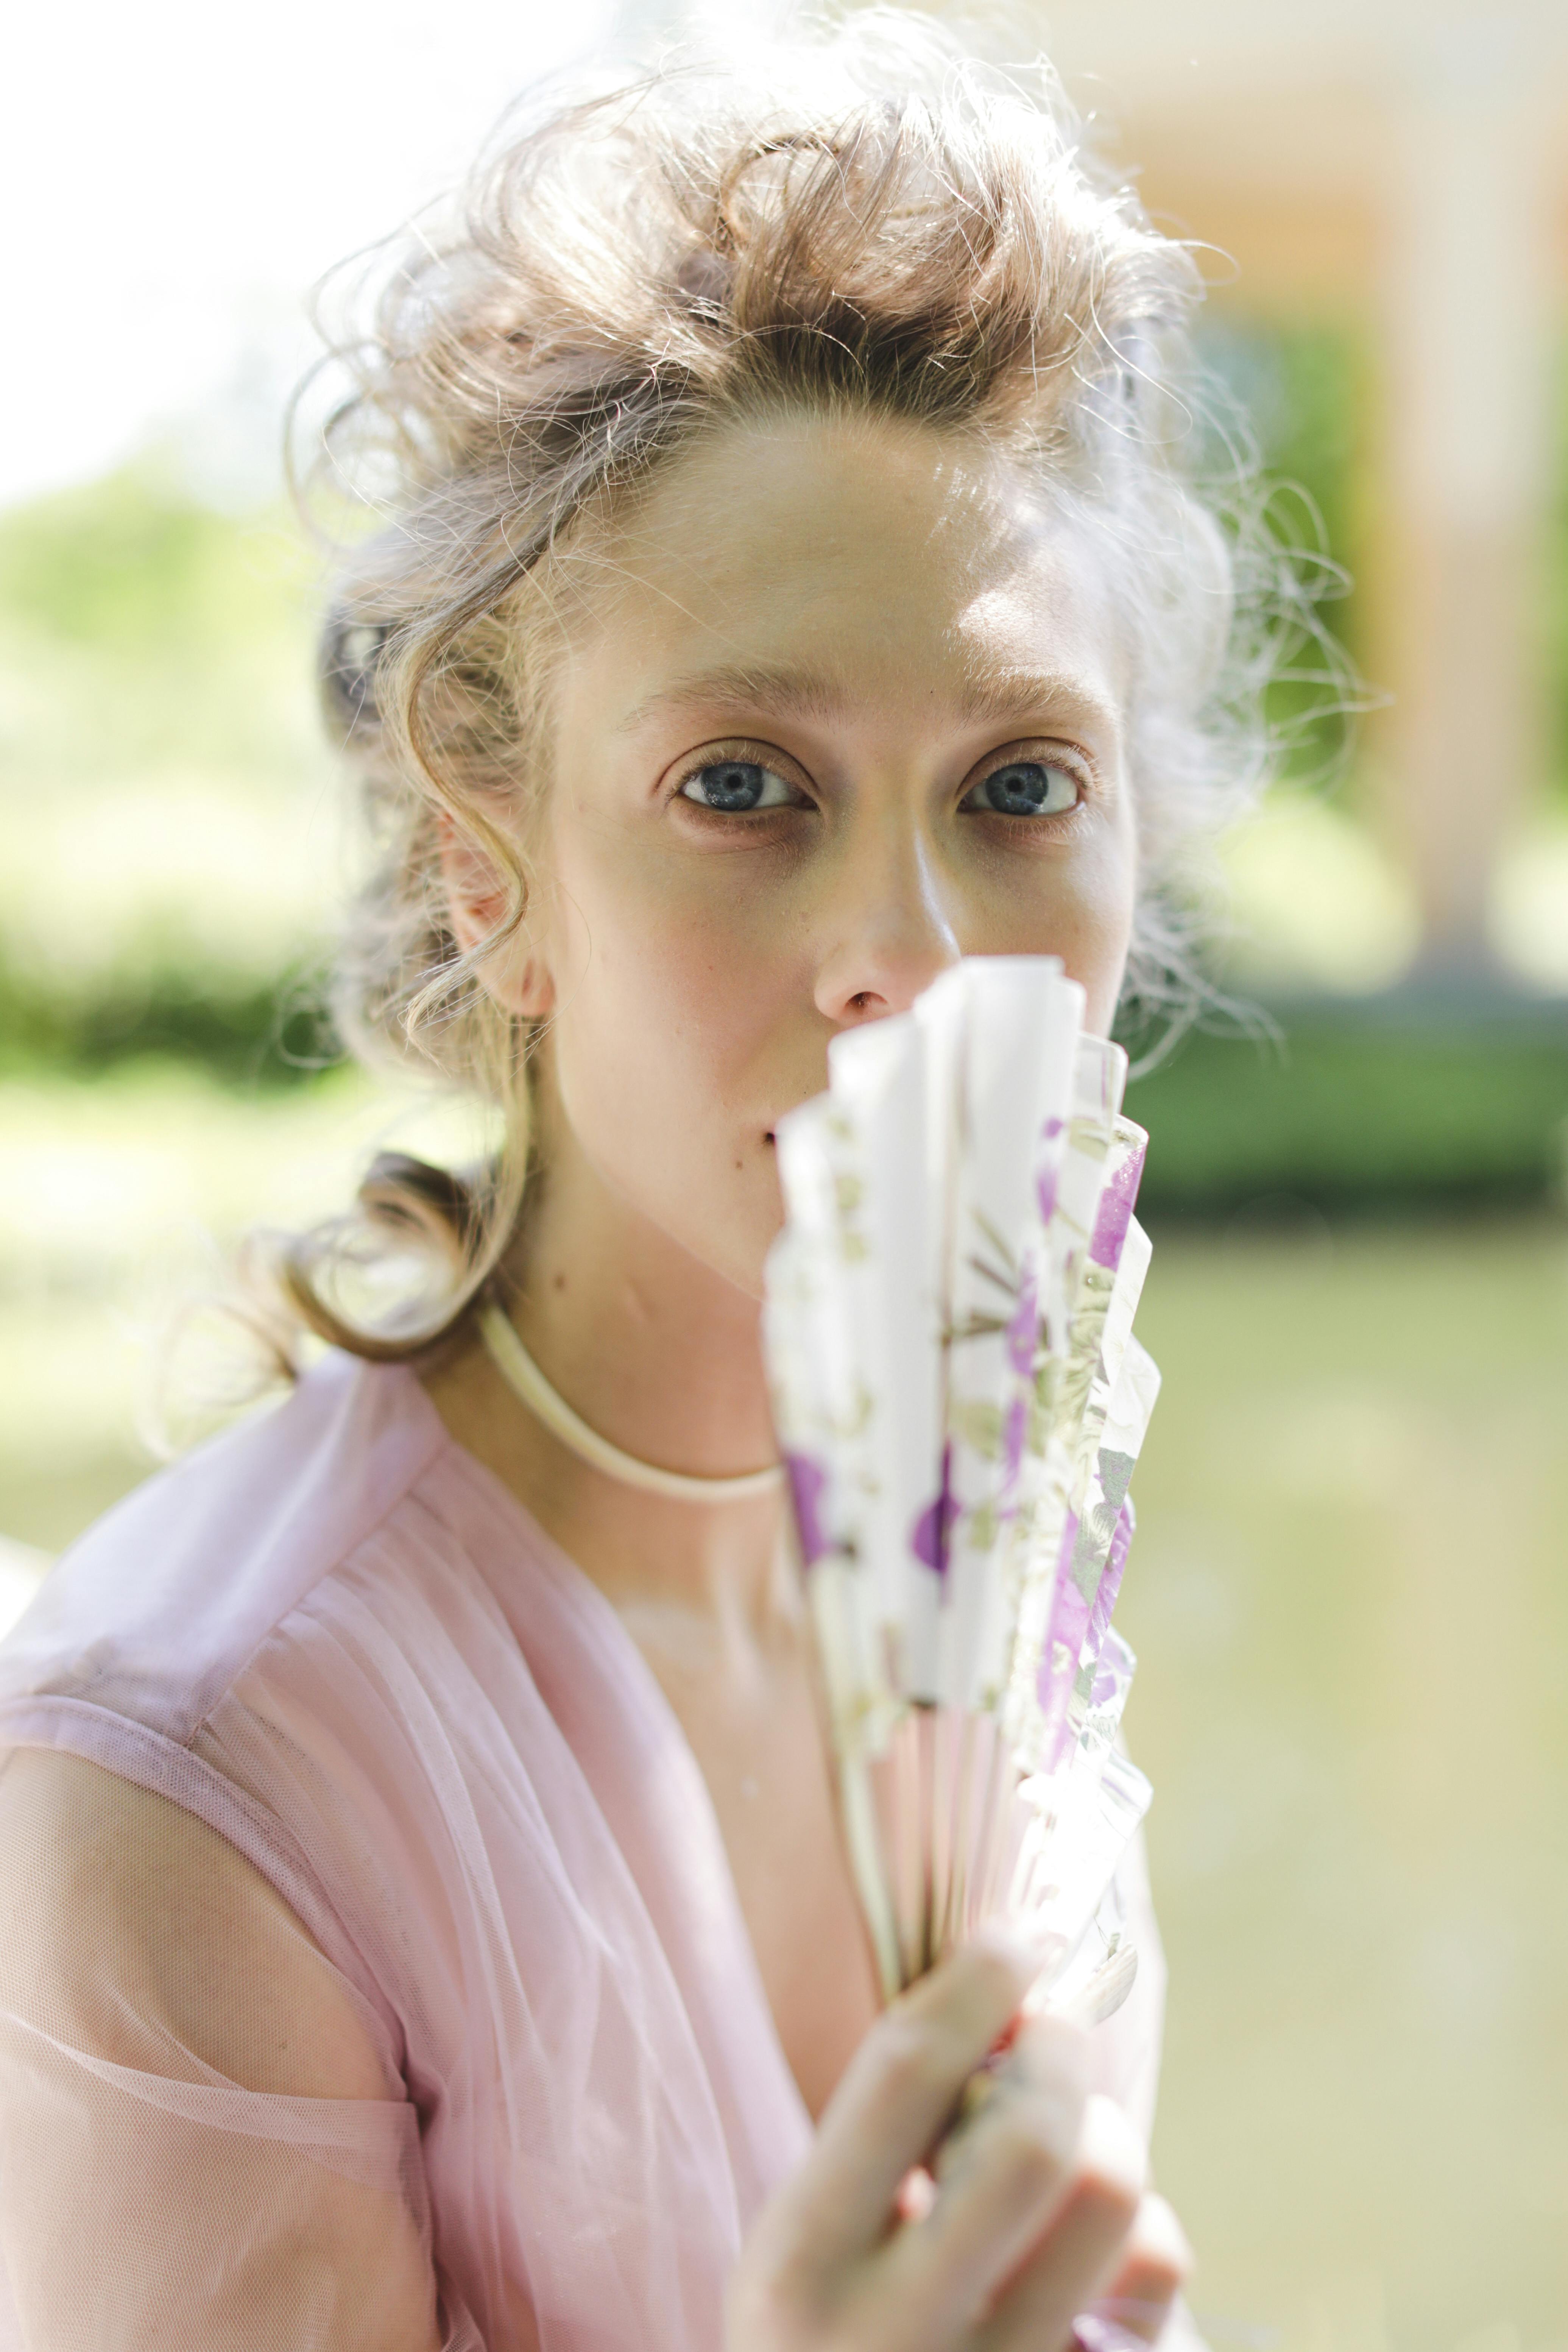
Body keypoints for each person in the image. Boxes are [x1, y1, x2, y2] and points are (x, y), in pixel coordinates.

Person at [0, 14, 1292, 2345]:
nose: (906, 955)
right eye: (742, 784)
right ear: (484, 857)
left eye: (1018, 788)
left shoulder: (1000, 1553)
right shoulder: (190, 1782)